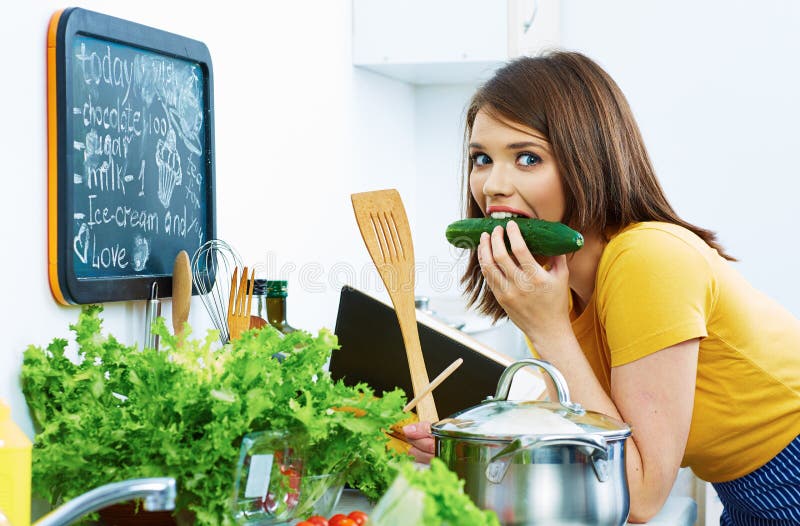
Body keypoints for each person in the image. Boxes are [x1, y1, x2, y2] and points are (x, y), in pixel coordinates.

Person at [402, 50, 800, 525]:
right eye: (481, 158)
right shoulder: (552, 283)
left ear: (587, 159)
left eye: (528, 158)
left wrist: (549, 331)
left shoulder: (648, 258)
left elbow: (641, 494)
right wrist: (464, 448)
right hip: (747, 491)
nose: (492, 185)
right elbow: (581, 434)